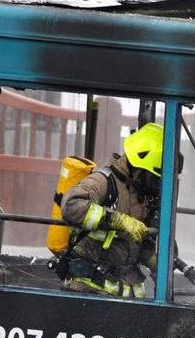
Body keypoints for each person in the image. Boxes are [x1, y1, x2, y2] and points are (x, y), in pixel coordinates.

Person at [59, 122, 163, 299]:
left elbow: (134, 241)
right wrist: (117, 220)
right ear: (139, 167)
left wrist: (152, 257)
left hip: (122, 290)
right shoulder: (103, 181)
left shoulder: (142, 195)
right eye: (153, 175)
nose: (154, 182)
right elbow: (71, 206)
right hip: (87, 289)